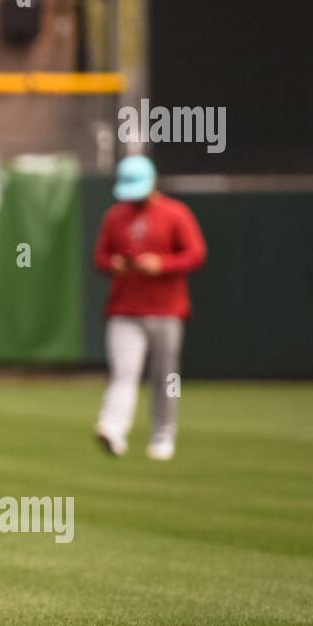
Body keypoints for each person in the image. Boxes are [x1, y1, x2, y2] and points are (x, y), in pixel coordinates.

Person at [93, 154, 207, 461]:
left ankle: (163, 434)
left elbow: (195, 254)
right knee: (123, 372)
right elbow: (100, 257)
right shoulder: (115, 216)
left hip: (167, 310)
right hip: (125, 308)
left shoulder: (175, 214)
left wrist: (162, 264)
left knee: (165, 376)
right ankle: (113, 428)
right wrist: (114, 264)